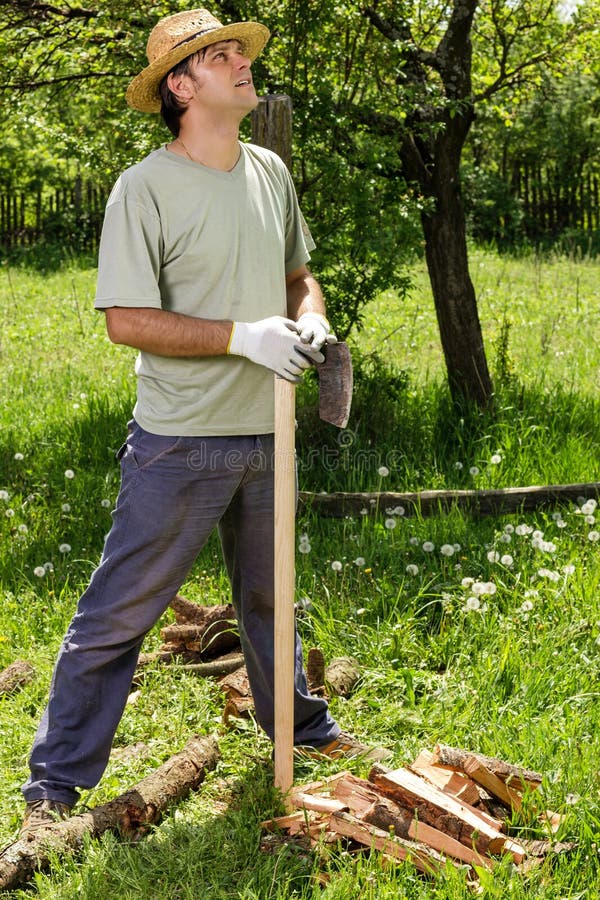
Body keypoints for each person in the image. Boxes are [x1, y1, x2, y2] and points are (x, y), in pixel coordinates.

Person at [20, 7, 387, 837]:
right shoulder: (144, 187)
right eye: (219, 56)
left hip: (271, 431)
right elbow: (124, 319)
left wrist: (310, 320)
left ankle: (301, 728)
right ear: (181, 88)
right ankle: (54, 787)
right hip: (180, 444)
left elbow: (300, 276)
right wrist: (239, 338)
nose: (240, 62)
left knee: (272, 600)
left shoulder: (268, 171)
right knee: (119, 613)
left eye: (236, 50)